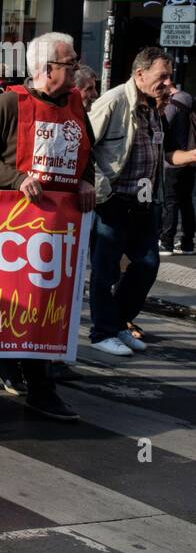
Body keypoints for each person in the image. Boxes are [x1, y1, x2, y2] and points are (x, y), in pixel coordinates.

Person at [0, 32, 94, 417]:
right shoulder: (9, 103)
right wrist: (17, 179)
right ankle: (40, 387)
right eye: (70, 63)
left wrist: (86, 178)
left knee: (49, 304)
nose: (76, 69)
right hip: (16, 226)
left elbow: (88, 149)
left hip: (61, 226)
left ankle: (13, 362)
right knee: (28, 304)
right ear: (47, 68)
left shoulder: (74, 102)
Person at [87, 47, 178, 357]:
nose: (168, 84)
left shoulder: (154, 107)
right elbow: (84, 149)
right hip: (114, 201)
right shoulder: (113, 102)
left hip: (144, 203)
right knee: (105, 271)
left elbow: (156, 155)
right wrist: (103, 194)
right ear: (140, 74)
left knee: (147, 265)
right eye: (162, 77)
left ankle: (118, 323)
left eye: (170, 77)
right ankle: (102, 332)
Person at [161, 86, 196, 256]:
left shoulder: (172, 104)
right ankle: (187, 244)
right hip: (191, 159)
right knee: (186, 202)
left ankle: (166, 242)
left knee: (171, 202)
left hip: (174, 160)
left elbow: (163, 126)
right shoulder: (191, 102)